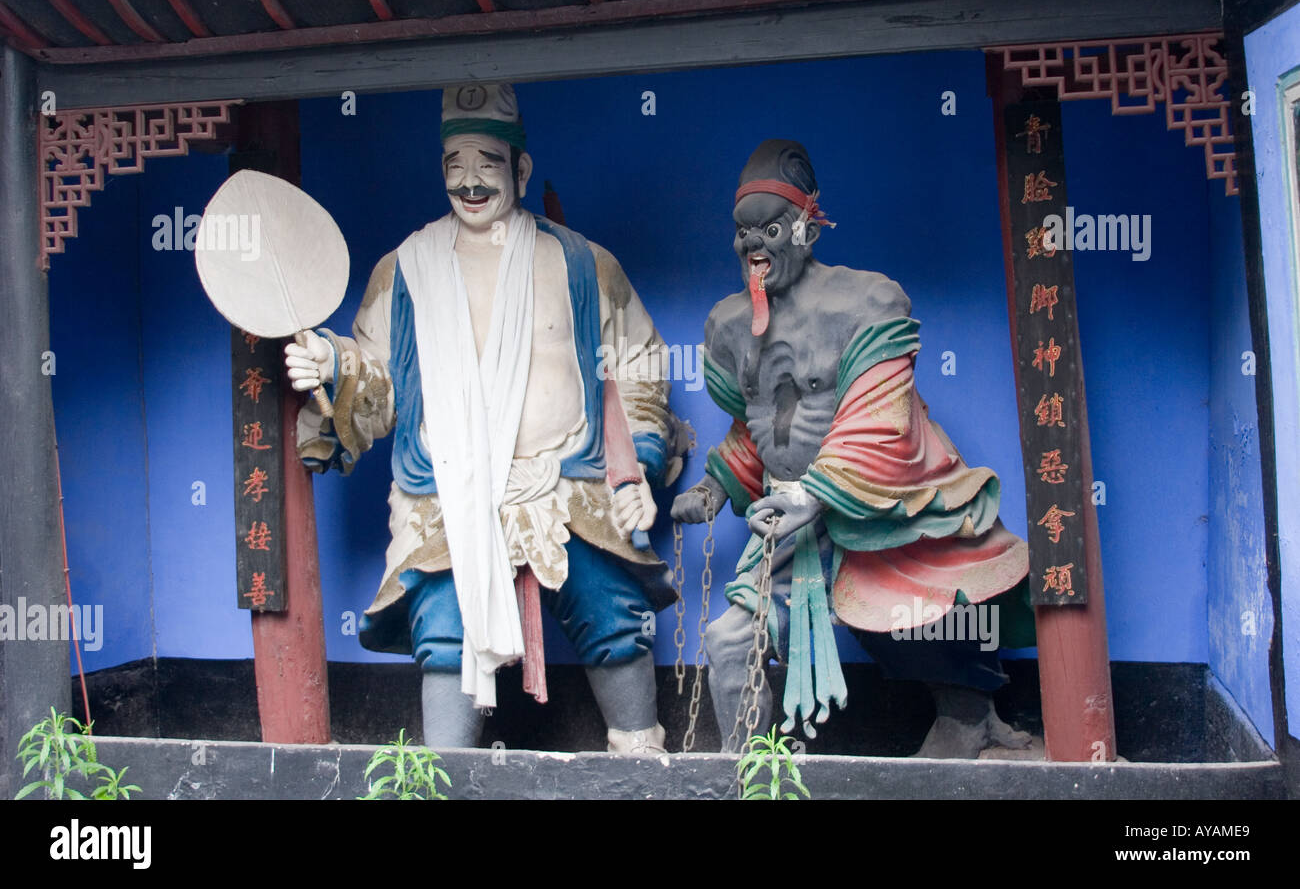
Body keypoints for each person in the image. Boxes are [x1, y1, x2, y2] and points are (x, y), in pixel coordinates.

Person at [286, 83, 679, 754]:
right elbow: (379, 380)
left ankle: (641, 760)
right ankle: (444, 778)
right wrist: (333, 366)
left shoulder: (583, 262)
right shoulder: (406, 270)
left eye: (487, 162)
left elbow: (636, 366)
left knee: (614, 611)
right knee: (442, 627)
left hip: (566, 484)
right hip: (449, 493)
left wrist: (635, 467)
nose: (469, 181)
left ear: (520, 169)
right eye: (454, 163)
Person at [672, 139, 1034, 757]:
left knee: (926, 614)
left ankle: (969, 722)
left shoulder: (865, 301)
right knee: (730, 640)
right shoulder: (727, 326)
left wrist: (816, 495)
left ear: (808, 228)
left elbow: (881, 413)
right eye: (742, 231)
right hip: (789, 523)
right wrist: (716, 487)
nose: (753, 244)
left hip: (873, 506)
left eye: (771, 227)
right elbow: (758, 427)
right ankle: (748, 772)